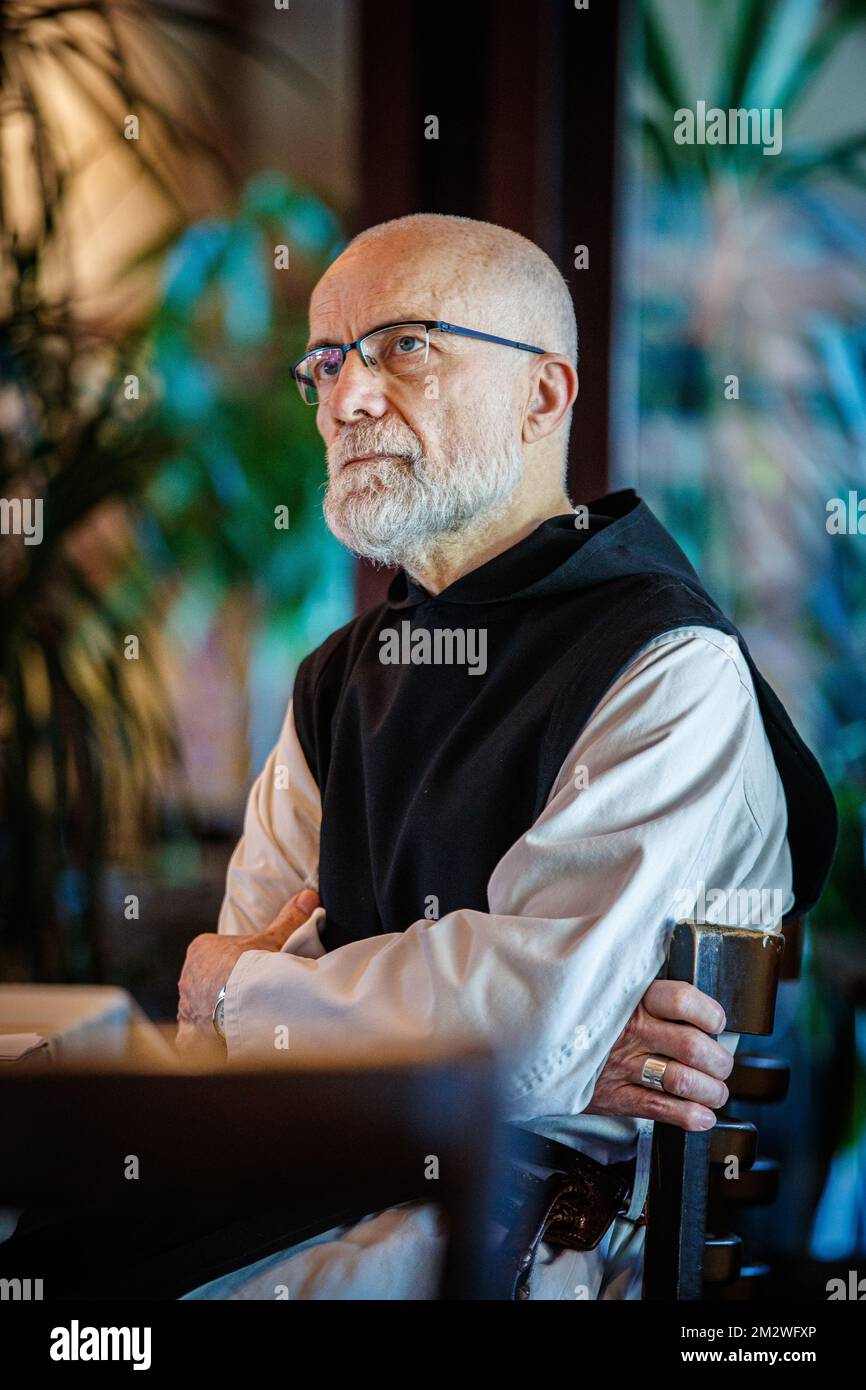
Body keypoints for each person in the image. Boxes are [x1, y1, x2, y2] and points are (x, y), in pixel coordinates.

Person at [176, 213, 837, 1300]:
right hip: (305, 1191)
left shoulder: (664, 667)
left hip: (518, 1242)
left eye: (404, 346)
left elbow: (512, 1021)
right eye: (326, 362)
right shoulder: (335, 683)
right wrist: (547, 1046)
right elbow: (263, 1036)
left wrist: (255, 997)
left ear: (543, 395)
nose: (345, 400)